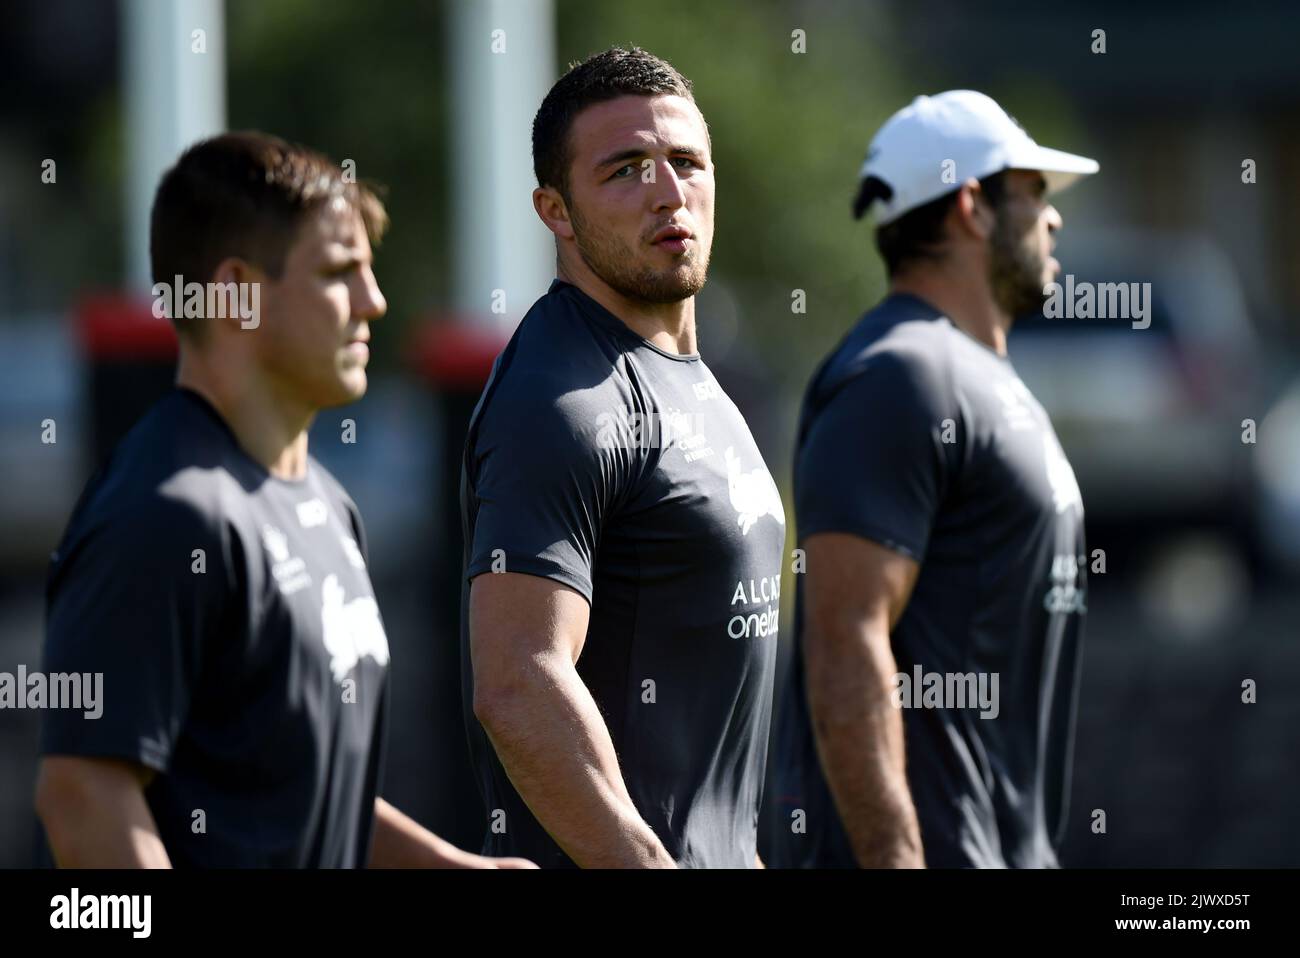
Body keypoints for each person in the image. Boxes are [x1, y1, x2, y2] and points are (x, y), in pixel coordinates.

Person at [34, 131, 533, 869]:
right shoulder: (168, 511)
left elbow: (295, 790)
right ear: (235, 290)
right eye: (339, 273)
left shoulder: (328, 503)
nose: (375, 300)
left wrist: (452, 869)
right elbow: (82, 798)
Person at [461, 47, 786, 868]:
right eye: (626, 171)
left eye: (685, 163)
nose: (669, 193)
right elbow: (518, 681)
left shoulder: (693, 378)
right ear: (556, 212)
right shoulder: (559, 399)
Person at [770, 90, 1097, 868]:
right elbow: (846, 640)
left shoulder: (975, 375)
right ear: (972, 205)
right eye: (1035, 194)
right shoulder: (899, 377)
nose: (1052, 219)